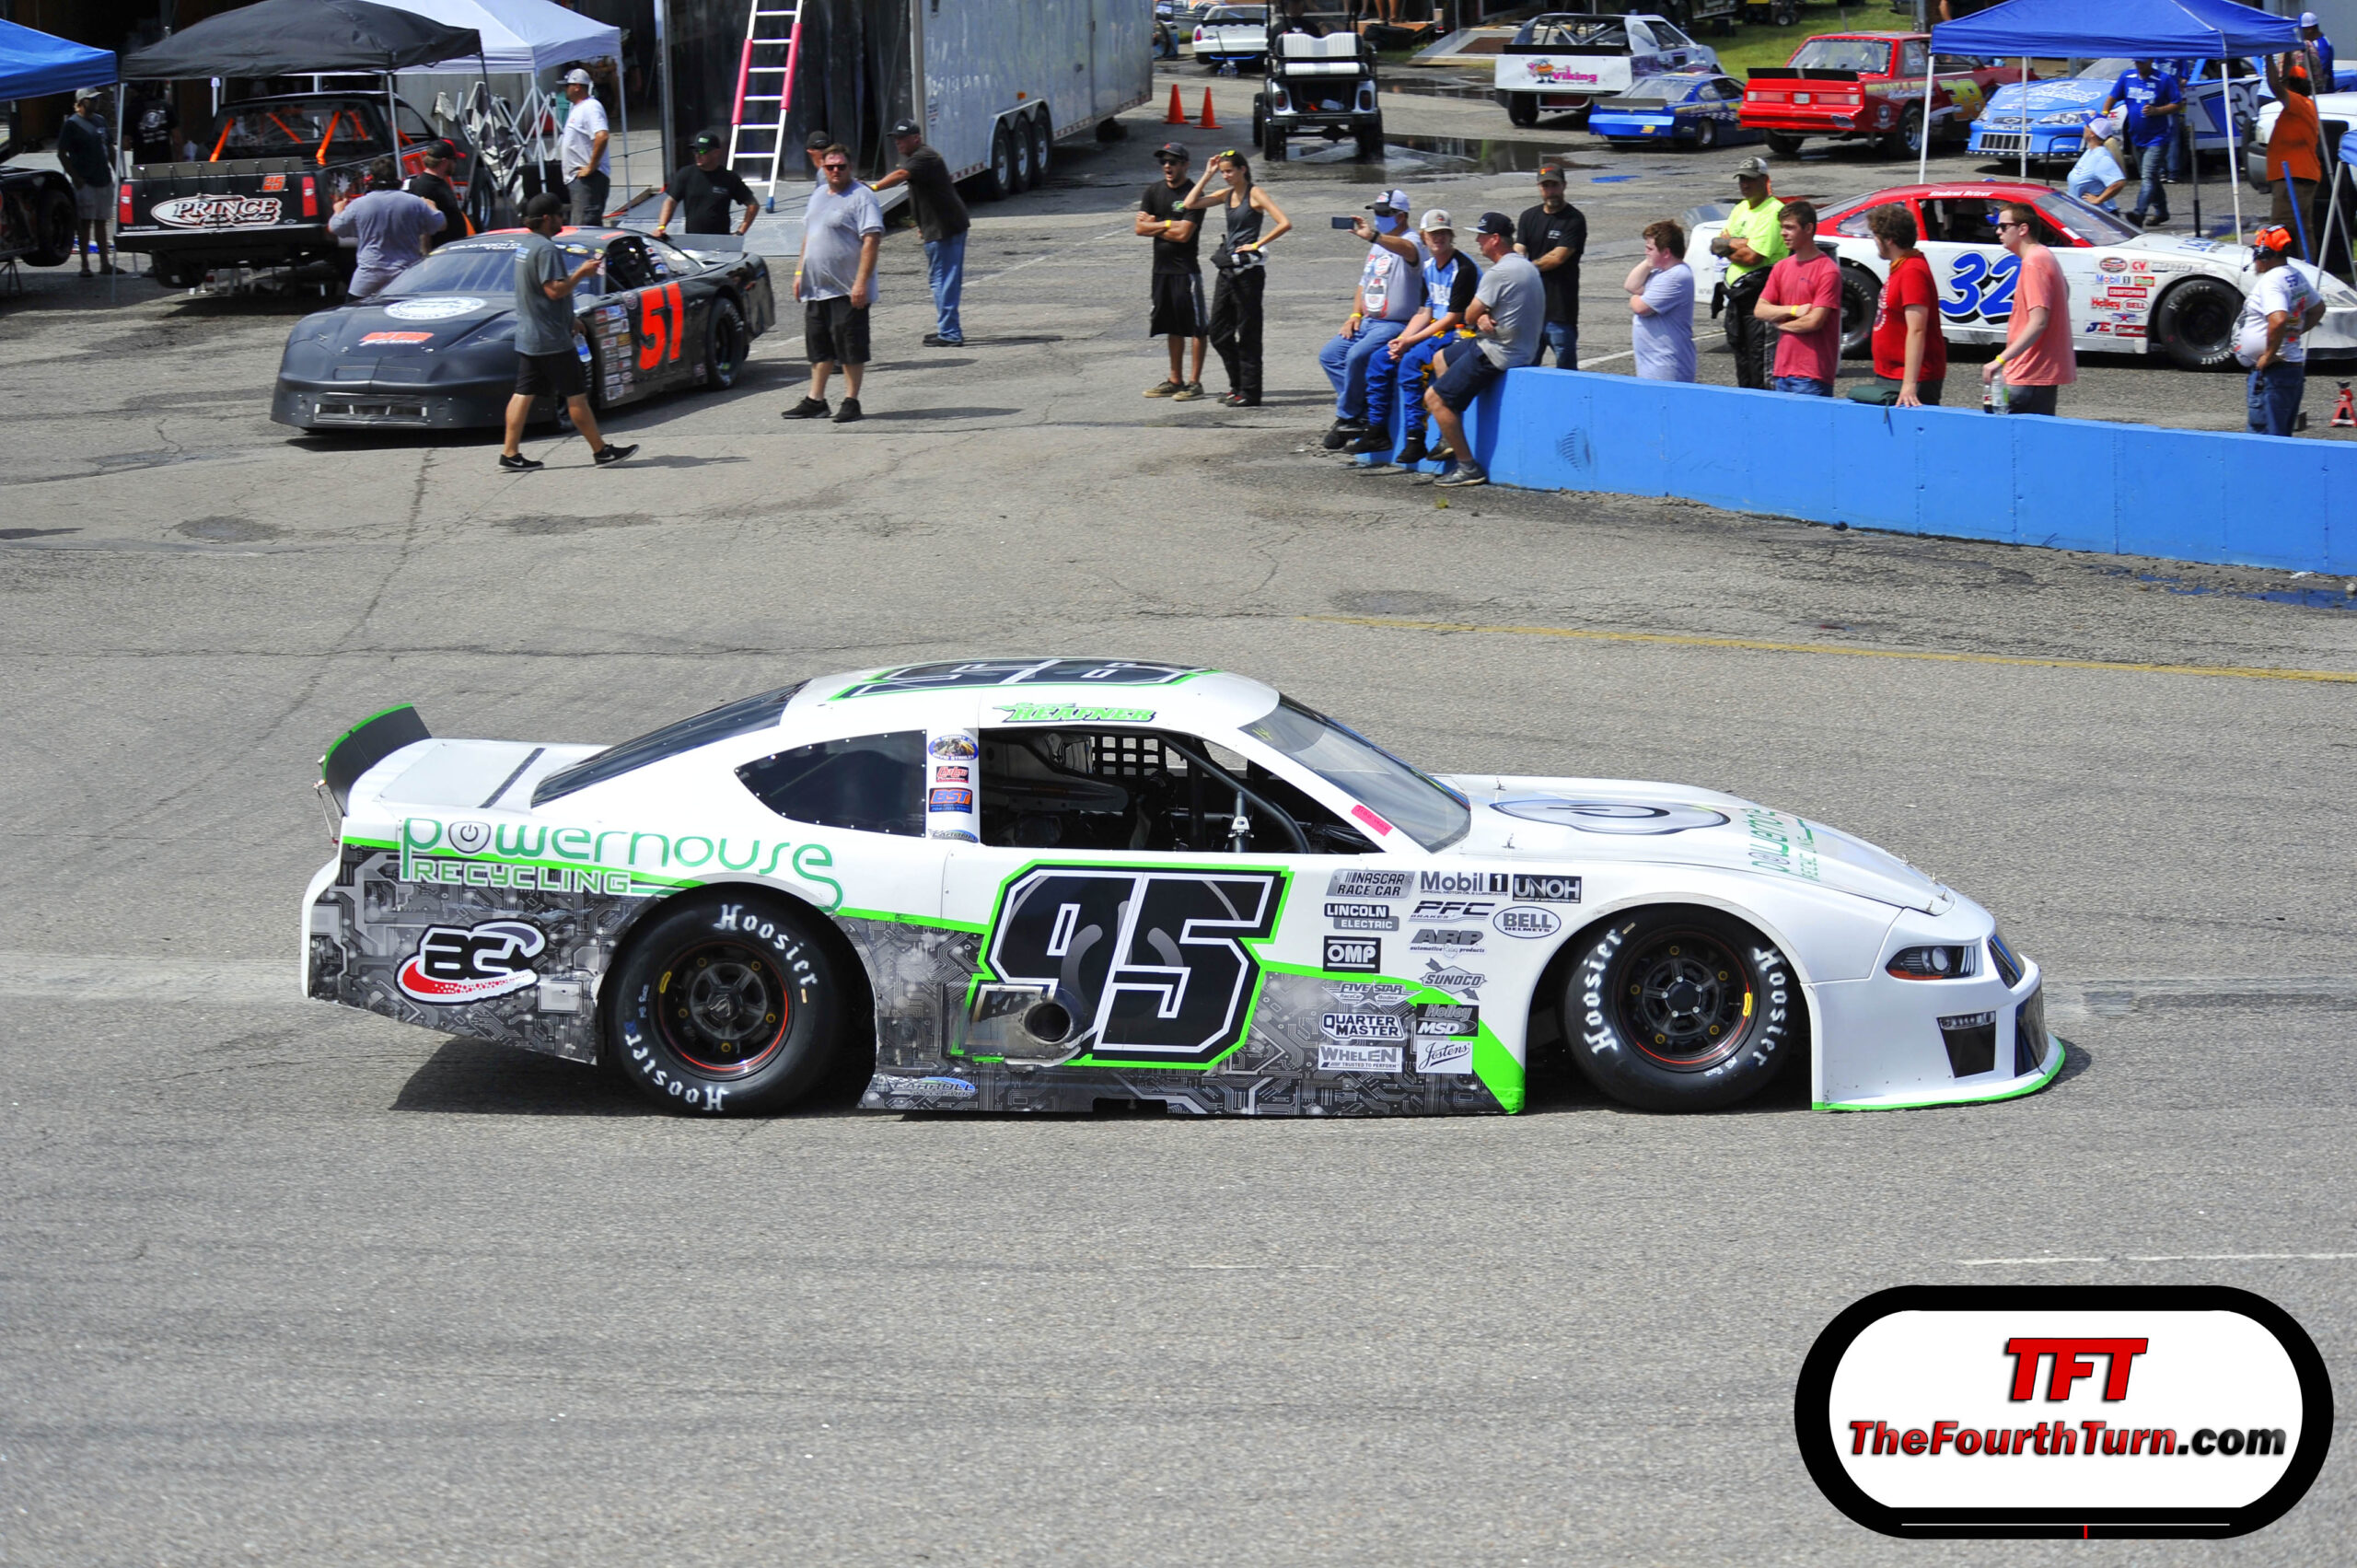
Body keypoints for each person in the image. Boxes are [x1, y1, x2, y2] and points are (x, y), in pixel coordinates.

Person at [498, 193, 634, 470]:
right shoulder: (547, 250)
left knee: (522, 393)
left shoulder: (526, 246)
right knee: (576, 395)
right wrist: (582, 273)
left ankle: (510, 453)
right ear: (547, 218)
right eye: (560, 214)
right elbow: (553, 290)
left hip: (531, 334)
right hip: (551, 340)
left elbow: (538, 292)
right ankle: (601, 451)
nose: (563, 218)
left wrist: (569, 316)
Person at [1422, 212, 1543, 488]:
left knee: (1435, 399)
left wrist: (1480, 314)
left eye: (1482, 236)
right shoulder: (1525, 266)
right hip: (1519, 346)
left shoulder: (1498, 273)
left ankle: (1468, 467)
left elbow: (1468, 314)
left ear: (1495, 239)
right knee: (1441, 357)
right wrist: (1482, 316)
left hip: (1498, 352)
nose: (1477, 241)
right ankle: (1448, 434)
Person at [1358, 209, 1479, 464]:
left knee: (1412, 363)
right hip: (1436, 325)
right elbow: (1424, 311)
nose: (1439, 238)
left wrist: (1410, 342)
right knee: (1380, 358)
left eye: (1444, 233)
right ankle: (1377, 429)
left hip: (1459, 331)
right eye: (1434, 234)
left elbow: (1453, 317)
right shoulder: (1428, 268)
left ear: (1451, 235)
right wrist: (1401, 339)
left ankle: (1416, 436)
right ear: (1423, 237)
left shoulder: (1463, 267)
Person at [783, 143, 883, 424]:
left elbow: (872, 240)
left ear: (850, 167)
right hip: (817, 287)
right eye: (830, 167)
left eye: (841, 166)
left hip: (848, 288)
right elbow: (809, 236)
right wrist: (799, 273)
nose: (836, 171)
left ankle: (851, 401)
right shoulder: (818, 196)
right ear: (823, 168)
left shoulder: (861, 196)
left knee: (850, 347)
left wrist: (861, 283)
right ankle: (816, 400)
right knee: (819, 347)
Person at [1186, 148, 1291, 408]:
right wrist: (1207, 174)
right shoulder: (1226, 194)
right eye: (1222, 172)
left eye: (1229, 171)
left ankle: (1251, 393)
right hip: (1227, 269)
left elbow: (1284, 223)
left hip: (1249, 274)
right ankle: (1237, 386)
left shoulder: (1255, 194)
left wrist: (1257, 244)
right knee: (1219, 333)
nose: (1225, 176)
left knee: (1248, 333)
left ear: (1243, 169)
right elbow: (1190, 203)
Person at [1318, 187, 1422, 448]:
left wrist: (1375, 236)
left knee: (1357, 357)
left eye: (1383, 213)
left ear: (1400, 216)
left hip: (1396, 323)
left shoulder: (1412, 241)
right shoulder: (1379, 245)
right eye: (1376, 213)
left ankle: (1347, 416)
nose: (1378, 218)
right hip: (1368, 320)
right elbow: (1364, 283)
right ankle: (1361, 409)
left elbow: (1409, 251)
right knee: (1330, 355)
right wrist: (1354, 314)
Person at [870, 119, 971, 347]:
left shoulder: (924, 157)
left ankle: (950, 333)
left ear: (916, 138)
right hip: (941, 227)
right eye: (896, 139)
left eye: (903, 138)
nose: (898, 143)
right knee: (941, 280)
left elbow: (900, 176)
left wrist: (873, 188)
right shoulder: (921, 158)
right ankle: (947, 329)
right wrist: (921, 225)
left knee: (944, 281)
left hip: (946, 229)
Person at [1982, 202, 2074, 415]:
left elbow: (2038, 322)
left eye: (2004, 227)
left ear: (2023, 229)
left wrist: (1999, 360)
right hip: (2039, 372)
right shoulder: (2044, 255)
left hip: (2028, 372)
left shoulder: (2033, 262)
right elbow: (2065, 291)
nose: (1998, 232)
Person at [1850, 203, 1945, 406]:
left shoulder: (1912, 271)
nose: (1874, 241)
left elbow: (1917, 329)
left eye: (1876, 236)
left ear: (1889, 239)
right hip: (1892, 373)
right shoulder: (1901, 267)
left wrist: (1909, 384)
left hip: (1910, 378)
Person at [2236, 225, 2327, 436]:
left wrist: (2268, 355)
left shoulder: (2271, 281)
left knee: (2265, 441)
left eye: (2256, 251)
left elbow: (2278, 320)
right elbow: (2318, 309)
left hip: (2273, 375)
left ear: (2265, 255)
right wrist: (2292, 335)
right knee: (2280, 438)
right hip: (2289, 371)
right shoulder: (2294, 275)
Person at [1137, 142, 1209, 400]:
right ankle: (1175, 379)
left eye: (1173, 162)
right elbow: (1139, 229)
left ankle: (1194, 382)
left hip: (1186, 270)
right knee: (1171, 325)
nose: (1167, 166)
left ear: (1185, 165)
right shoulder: (1153, 191)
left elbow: (1184, 234)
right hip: (1161, 270)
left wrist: (1157, 223)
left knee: (1197, 327)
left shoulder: (1193, 194)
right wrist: (1169, 224)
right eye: (1164, 162)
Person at [1710, 157, 1786, 389]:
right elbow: (1717, 245)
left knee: (1759, 364)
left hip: (1759, 297)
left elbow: (1753, 257)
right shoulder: (1740, 208)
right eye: (1742, 179)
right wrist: (1737, 243)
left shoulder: (1774, 211)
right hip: (1737, 296)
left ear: (1765, 180)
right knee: (1741, 358)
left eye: (1751, 179)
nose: (1745, 184)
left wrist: (1728, 245)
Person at [1755, 202, 1841, 397]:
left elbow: (1813, 321)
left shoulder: (1827, 270)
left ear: (1809, 228)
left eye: (1790, 227)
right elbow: (1760, 310)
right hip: (1782, 371)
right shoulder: (1781, 267)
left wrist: (1779, 324)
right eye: (1782, 227)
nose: (1783, 233)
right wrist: (1793, 311)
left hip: (1812, 375)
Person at [330, 157, 445, 299]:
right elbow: (439, 224)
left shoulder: (359, 204)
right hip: (406, 273)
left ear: (370, 179)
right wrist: (431, 206)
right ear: (397, 178)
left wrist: (338, 210)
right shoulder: (413, 202)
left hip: (370, 273)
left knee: (352, 313)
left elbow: (335, 228)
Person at [1515, 164, 1586, 367]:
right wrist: (1516, 263)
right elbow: (1519, 247)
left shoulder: (1574, 220)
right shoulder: (1528, 217)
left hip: (1560, 310)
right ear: (1539, 187)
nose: (1550, 191)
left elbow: (1557, 257)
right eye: (1545, 186)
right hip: (1532, 311)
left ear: (1564, 185)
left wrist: (1525, 269)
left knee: (1566, 372)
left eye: (1554, 185)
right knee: (1528, 368)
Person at [2101, 59, 2180, 230]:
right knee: (2151, 178)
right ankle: (2162, 212)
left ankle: (2139, 214)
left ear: (2151, 61)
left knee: (2148, 175)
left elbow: (2177, 104)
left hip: (2158, 138)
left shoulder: (2163, 79)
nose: (2139, 65)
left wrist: (2157, 110)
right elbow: (2112, 97)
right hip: (2136, 137)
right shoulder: (2127, 76)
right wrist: (2104, 114)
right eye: (2137, 62)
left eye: (2143, 63)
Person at [2265, 55, 2323, 257]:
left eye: (2286, 82)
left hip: (2294, 176)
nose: (2282, 84)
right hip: (2302, 174)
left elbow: (2274, 84)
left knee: (2282, 227)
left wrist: (2268, 56)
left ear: (2292, 84)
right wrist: (2287, 53)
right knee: (2303, 229)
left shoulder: (2297, 103)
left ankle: (2283, 267)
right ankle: (2308, 267)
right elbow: (2281, 80)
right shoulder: (2304, 104)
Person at [1624, 219, 1695, 383]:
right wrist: (1650, 262)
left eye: (1650, 249)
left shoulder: (1677, 276)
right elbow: (1631, 285)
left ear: (1666, 253)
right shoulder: (1659, 272)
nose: (1646, 252)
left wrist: (1635, 297)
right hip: (1651, 361)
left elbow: (1641, 308)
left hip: (1666, 365)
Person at [654, 132, 757, 244]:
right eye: (696, 151)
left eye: (703, 151)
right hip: (693, 241)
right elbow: (670, 202)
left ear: (716, 153)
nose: (698, 155)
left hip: (721, 242)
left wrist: (740, 232)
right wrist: (661, 227)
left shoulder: (729, 178)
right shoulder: (686, 174)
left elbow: (753, 205)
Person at [56, 87, 115, 276]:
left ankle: (105, 263)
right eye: (91, 100)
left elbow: (110, 147)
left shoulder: (100, 121)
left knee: (101, 221)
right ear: (81, 102)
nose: (95, 102)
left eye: (97, 99)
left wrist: (116, 171)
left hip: (104, 178)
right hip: (85, 180)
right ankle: (84, 265)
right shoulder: (72, 124)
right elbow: (62, 153)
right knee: (84, 223)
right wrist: (76, 177)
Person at [559, 67, 611, 228]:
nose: (564, 89)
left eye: (566, 86)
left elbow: (602, 135)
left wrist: (591, 167)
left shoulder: (591, 106)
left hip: (589, 180)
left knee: (584, 229)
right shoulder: (578, 108)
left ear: (577, 86)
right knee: (579, 227)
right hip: (579, 180)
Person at [406, 142, 469, 251]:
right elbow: (423, 230)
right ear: (444, 162)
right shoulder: (424, 187)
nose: (455, 165)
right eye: (454, 160)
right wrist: (427, 260)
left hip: (452, 249)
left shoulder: (439, 182)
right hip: (440, 253)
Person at [2066, 117, 2130, 213]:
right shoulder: (2090, 151)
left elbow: (2118, 183)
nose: (2084, 127)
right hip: (2084, 215)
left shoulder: (2101, 157)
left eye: (2087, 126)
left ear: (2092, 134)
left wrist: (2098, 200)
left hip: (2099, 218)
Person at [128, 86, 178, 168]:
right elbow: (177, 139)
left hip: (141, 165)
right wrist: (179, 160)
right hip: (165, 163)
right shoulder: (166, 106)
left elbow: (125, 144)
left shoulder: (130, 110)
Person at [2302, 11, 2337, 90]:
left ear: (2309, 29)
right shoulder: (2317, 42)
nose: (2301, 34)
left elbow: (2320, 73)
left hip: (2323, 93)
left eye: (2302, 30)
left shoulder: (2322, 46)